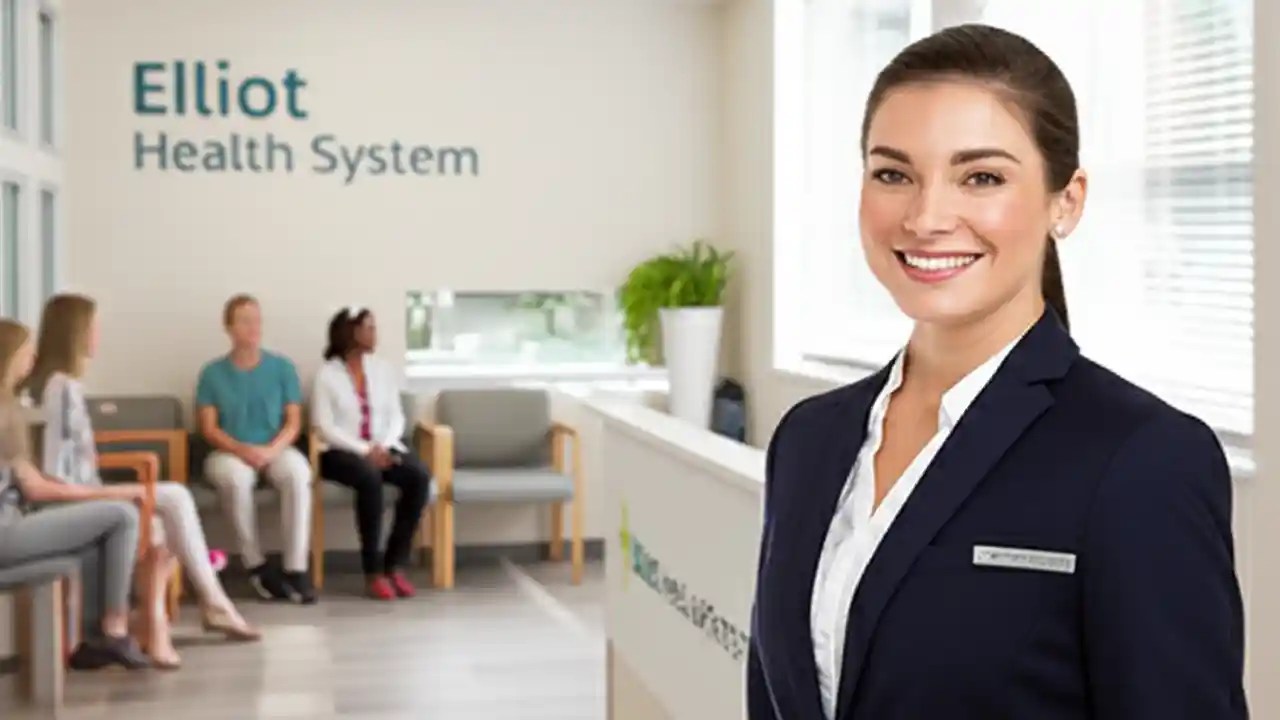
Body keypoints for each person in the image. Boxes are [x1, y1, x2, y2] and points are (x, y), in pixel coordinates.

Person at [747, 24, 1247, 720]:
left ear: (1066, 201)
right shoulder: (808, 440)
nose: (926, 217)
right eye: (893, 174)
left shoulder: (1142, 459)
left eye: (980, 177)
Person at [27, 294, 261, 670]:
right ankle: (202, 608)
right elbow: (55, 472)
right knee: (173, 498)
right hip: (71, 498)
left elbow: (77, 461)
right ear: (75, 333)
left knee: (159, 525)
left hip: (84, 491)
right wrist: (116, 491)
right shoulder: (61, 389)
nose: (98, 336)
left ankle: (160, 622)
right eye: (93, 328)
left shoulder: (62, 385)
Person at [0, 319, 152, 671]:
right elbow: (36, 487)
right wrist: (109, 495)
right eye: (26, 352)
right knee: (122, 516)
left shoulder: (8, 408)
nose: (33, 358)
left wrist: (102, 494)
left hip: (11, 524)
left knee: (95, 542)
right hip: (4, 533)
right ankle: (114, 629)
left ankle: (95, 640)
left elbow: (31, 482)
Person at [196, 294, 316, 604]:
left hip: (275, 447)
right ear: (228, 327)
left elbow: (293, 422)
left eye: (257, 320)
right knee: (236, 480)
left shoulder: (282, 368)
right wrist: (241, 449)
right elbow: (209, 428)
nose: (253, 327)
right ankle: (256, 566)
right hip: (229, 451)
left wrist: (271, 450)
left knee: (298, 474)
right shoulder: (212, 374)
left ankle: (296, 568)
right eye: (244, 321)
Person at [311, 307, 430, 600]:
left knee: (418, 476)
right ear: (350, 331)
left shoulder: (383, 369)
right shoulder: (326, 375)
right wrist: (366, 450)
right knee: (369, 477)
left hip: (383, 447)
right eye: (369, 328)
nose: (375, 333)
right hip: (340, 453)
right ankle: (373, 571)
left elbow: (397, 416)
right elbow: (324, 426)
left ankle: (394, 565)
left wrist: (383, 446)